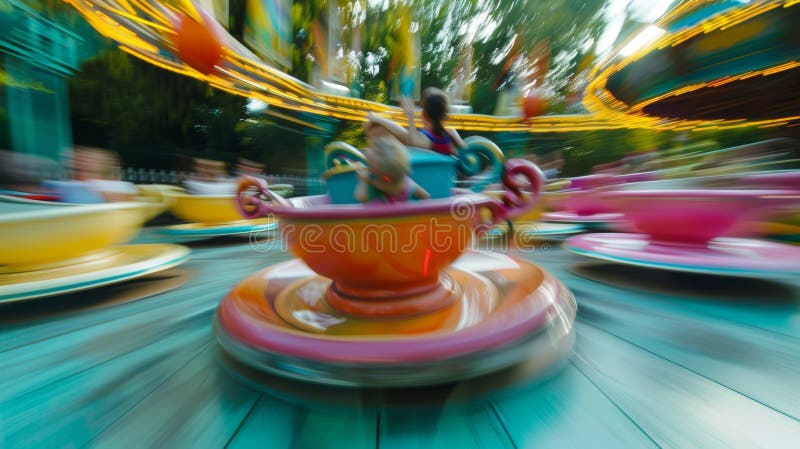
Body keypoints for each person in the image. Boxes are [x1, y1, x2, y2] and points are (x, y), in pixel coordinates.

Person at [366, 87, 465, 157]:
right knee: (403, 135)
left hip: (430, 174)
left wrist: (410, 116)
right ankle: (375, 118)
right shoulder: (447, 133)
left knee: (403, 136)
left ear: (423, 115)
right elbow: (465, 150)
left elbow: (412, 143)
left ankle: (375, 119)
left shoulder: (429, 140)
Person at [354, 136, 430, 204]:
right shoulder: (407, 183)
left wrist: (363, 182)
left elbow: (360, 198)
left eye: (370, 165)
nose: (368, 167)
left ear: (382, 174)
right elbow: (425, 196)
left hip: (378, 219)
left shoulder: (373, 186)